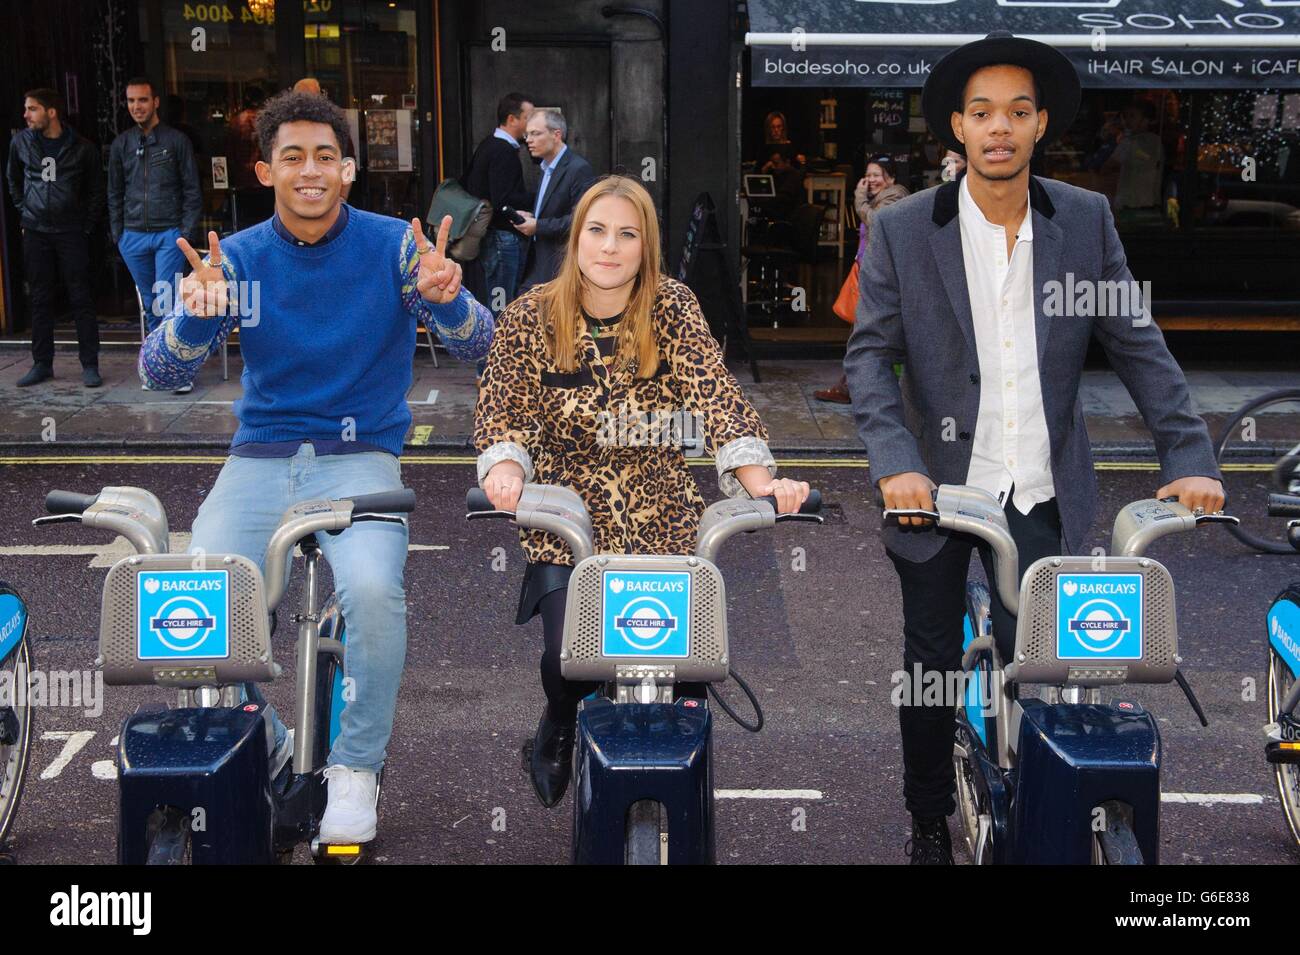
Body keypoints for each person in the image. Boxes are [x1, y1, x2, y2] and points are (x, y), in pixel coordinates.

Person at [843, 32, 1225, 864]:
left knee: (1043, 662)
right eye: (982, 113)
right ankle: (926, 817)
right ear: (958, 127)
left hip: (1040, 488)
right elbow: (870, 357)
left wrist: (1189, 455)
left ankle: (1045, 802)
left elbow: (1137, 341)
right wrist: (895, 461)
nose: (1000, 128)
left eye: (1018, 111)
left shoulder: (1083, 220)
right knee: (934, 665)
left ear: (1041, 123)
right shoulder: (906, 229)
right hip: (938, 492)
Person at [138, 89, 494, 844]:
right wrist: (197, 313)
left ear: (349, 169)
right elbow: (159, 373)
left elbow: (482, 348)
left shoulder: (397, 246)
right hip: (261, 456)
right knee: (196, 600)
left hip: (361, 454)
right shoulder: (232, 257)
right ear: (264, 170)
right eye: (292, 157)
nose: (310, 171)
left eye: (325, 157)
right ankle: (268, 738)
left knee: (369, 588)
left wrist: (451, 299)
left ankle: (355, 766)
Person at [474, 175, 810, 808]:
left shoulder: (673, 306)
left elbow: (718, 399)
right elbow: (504, 411)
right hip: (564, 519)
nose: (609, 247)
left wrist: (764, 484)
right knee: (564, 661)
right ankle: (559, 723)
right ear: (575, 239)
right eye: (597, 231)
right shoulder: (529, 316)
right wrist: (506, 470)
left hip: (663, 518)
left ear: (645, 246)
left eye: (627, 234)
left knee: (681, 665)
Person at [7, 88, 105, 388]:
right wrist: (26, 212)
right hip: (36, 231)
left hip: (70, 232)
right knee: (39, 298)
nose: (26, 115)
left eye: (32, 109)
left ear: (51, 112)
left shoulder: (82, 147)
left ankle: (90, 364)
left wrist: (84, 226)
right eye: (26, 108)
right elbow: (13, 179)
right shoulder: (21, 142)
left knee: (81, 297)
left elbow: (95, 191)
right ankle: (42, 363)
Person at [109, 76, 202, 382]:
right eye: (132, 101)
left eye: (143, 100)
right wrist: (118, 234)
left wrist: (183, 233)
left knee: (166, 301)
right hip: (133, 235)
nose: (137, 106)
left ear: (155, 102)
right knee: (151, 304)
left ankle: (178, 370)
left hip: (167, 235)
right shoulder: (122, 143)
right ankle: (160, 367)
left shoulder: (176, 140)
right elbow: (114, 192)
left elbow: (192, 190)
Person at [814, 156, 910, 403]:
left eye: (876, 175)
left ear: (891, 177)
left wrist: (858, 195)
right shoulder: (880, 196)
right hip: (870, 273)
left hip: (882, 278)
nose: (870, 180)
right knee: (862, 331)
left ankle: (853, 387)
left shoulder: (895, 195)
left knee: (865, 332)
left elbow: (875, 221)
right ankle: (851, 385)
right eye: (868, 175)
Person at [464, 92, 535, 308]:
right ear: (512, 119)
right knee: (502, 304)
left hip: (495, 239)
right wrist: (536, 200)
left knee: (500, 298)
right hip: (502, 240)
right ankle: (499, 342)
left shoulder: (489, 145)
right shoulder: (501, 151)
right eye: (528, 118)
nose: (531, 124)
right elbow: (502, 199)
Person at [516, 108, 595, 290]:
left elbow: (581, 221)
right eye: (527, 135)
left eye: (535, 133)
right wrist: (531, 217)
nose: (528, 140)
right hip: (537, 261)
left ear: (556, 135)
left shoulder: (578, 169)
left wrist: (537, 225)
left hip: (560, 265)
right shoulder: (546, 168)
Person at [1104, 100, 1164, 213]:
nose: (1127, 121)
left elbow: (1108, 166)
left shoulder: (1130, 142)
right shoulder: (1156, 141)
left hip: (1131, 203)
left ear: (1146, 120)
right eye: (1125, 116)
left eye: (1132, 116)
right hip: (1148, 201)